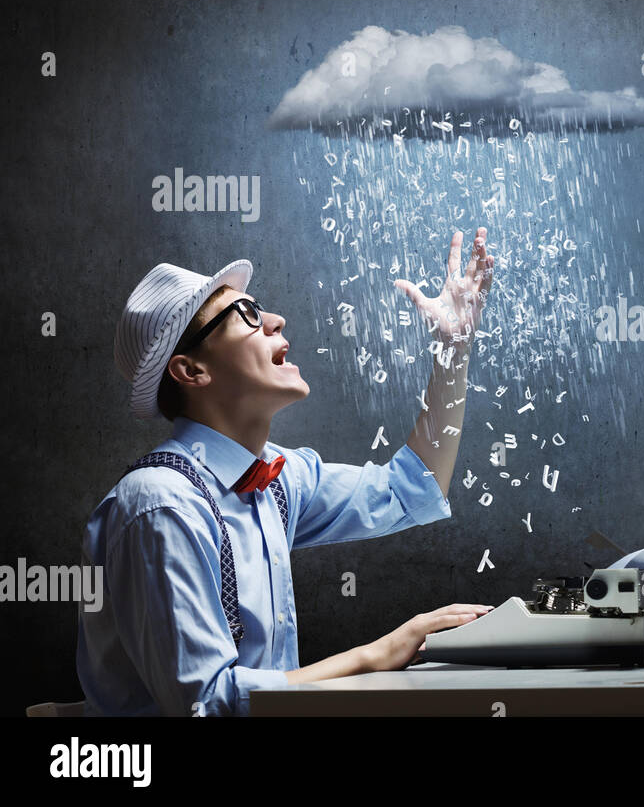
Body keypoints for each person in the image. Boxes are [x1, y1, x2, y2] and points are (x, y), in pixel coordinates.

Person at [76, 228, 496, 716]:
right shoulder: (161, 507)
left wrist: (454, 348)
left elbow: (409, 490)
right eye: (248, 315)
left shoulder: (280, 477)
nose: (275, 320)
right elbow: (208, 706)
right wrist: (378, 654)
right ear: (191, 372)